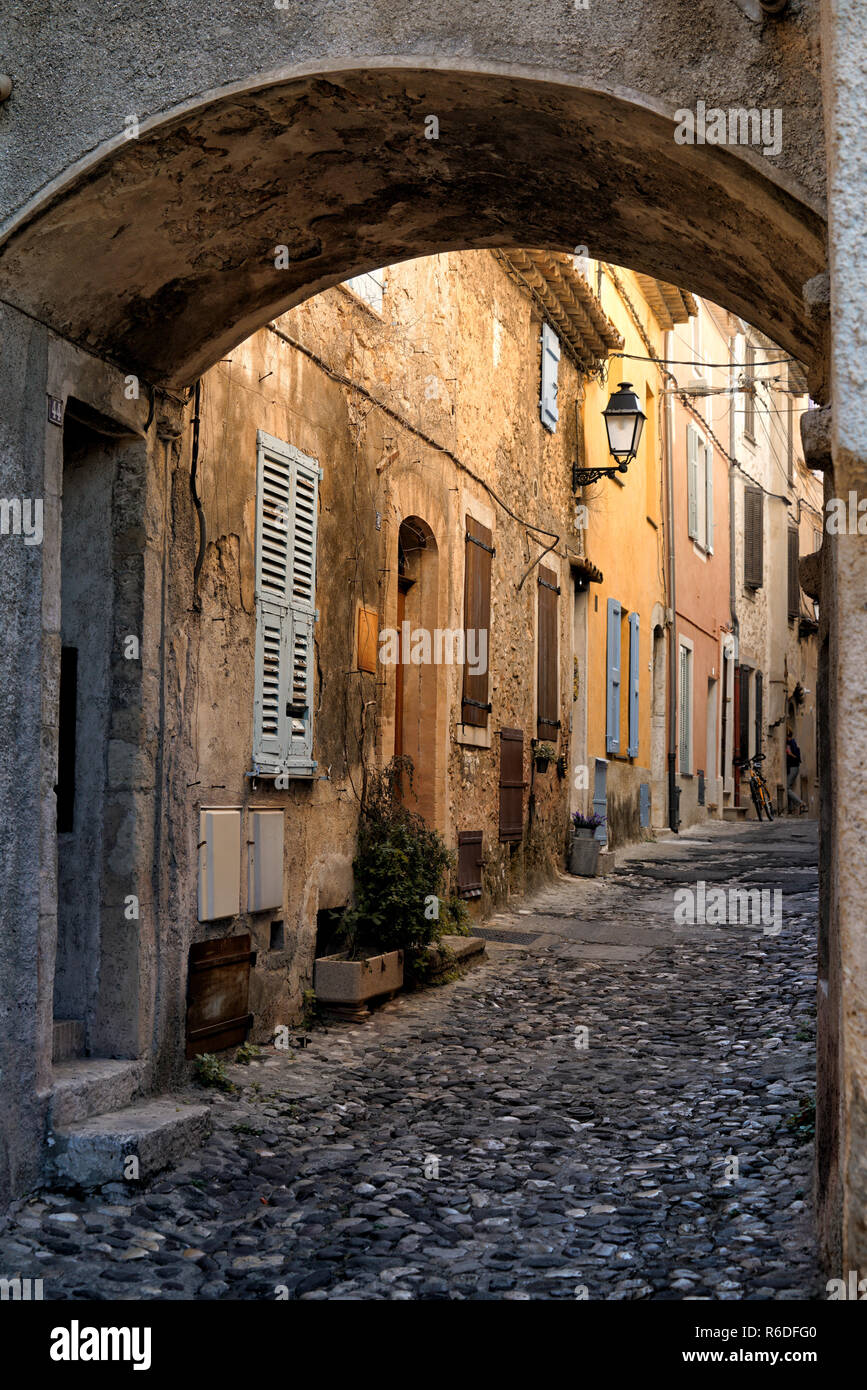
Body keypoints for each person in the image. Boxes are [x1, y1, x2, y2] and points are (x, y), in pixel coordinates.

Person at [786, 726, 806, 813]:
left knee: (787, 788)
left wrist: (789, 753)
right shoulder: (790, 742)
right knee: (789, 787)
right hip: (792, 768)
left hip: (794, 767)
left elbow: (797, 757)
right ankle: (790, 809)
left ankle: (801, 803)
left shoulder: (792, 743)